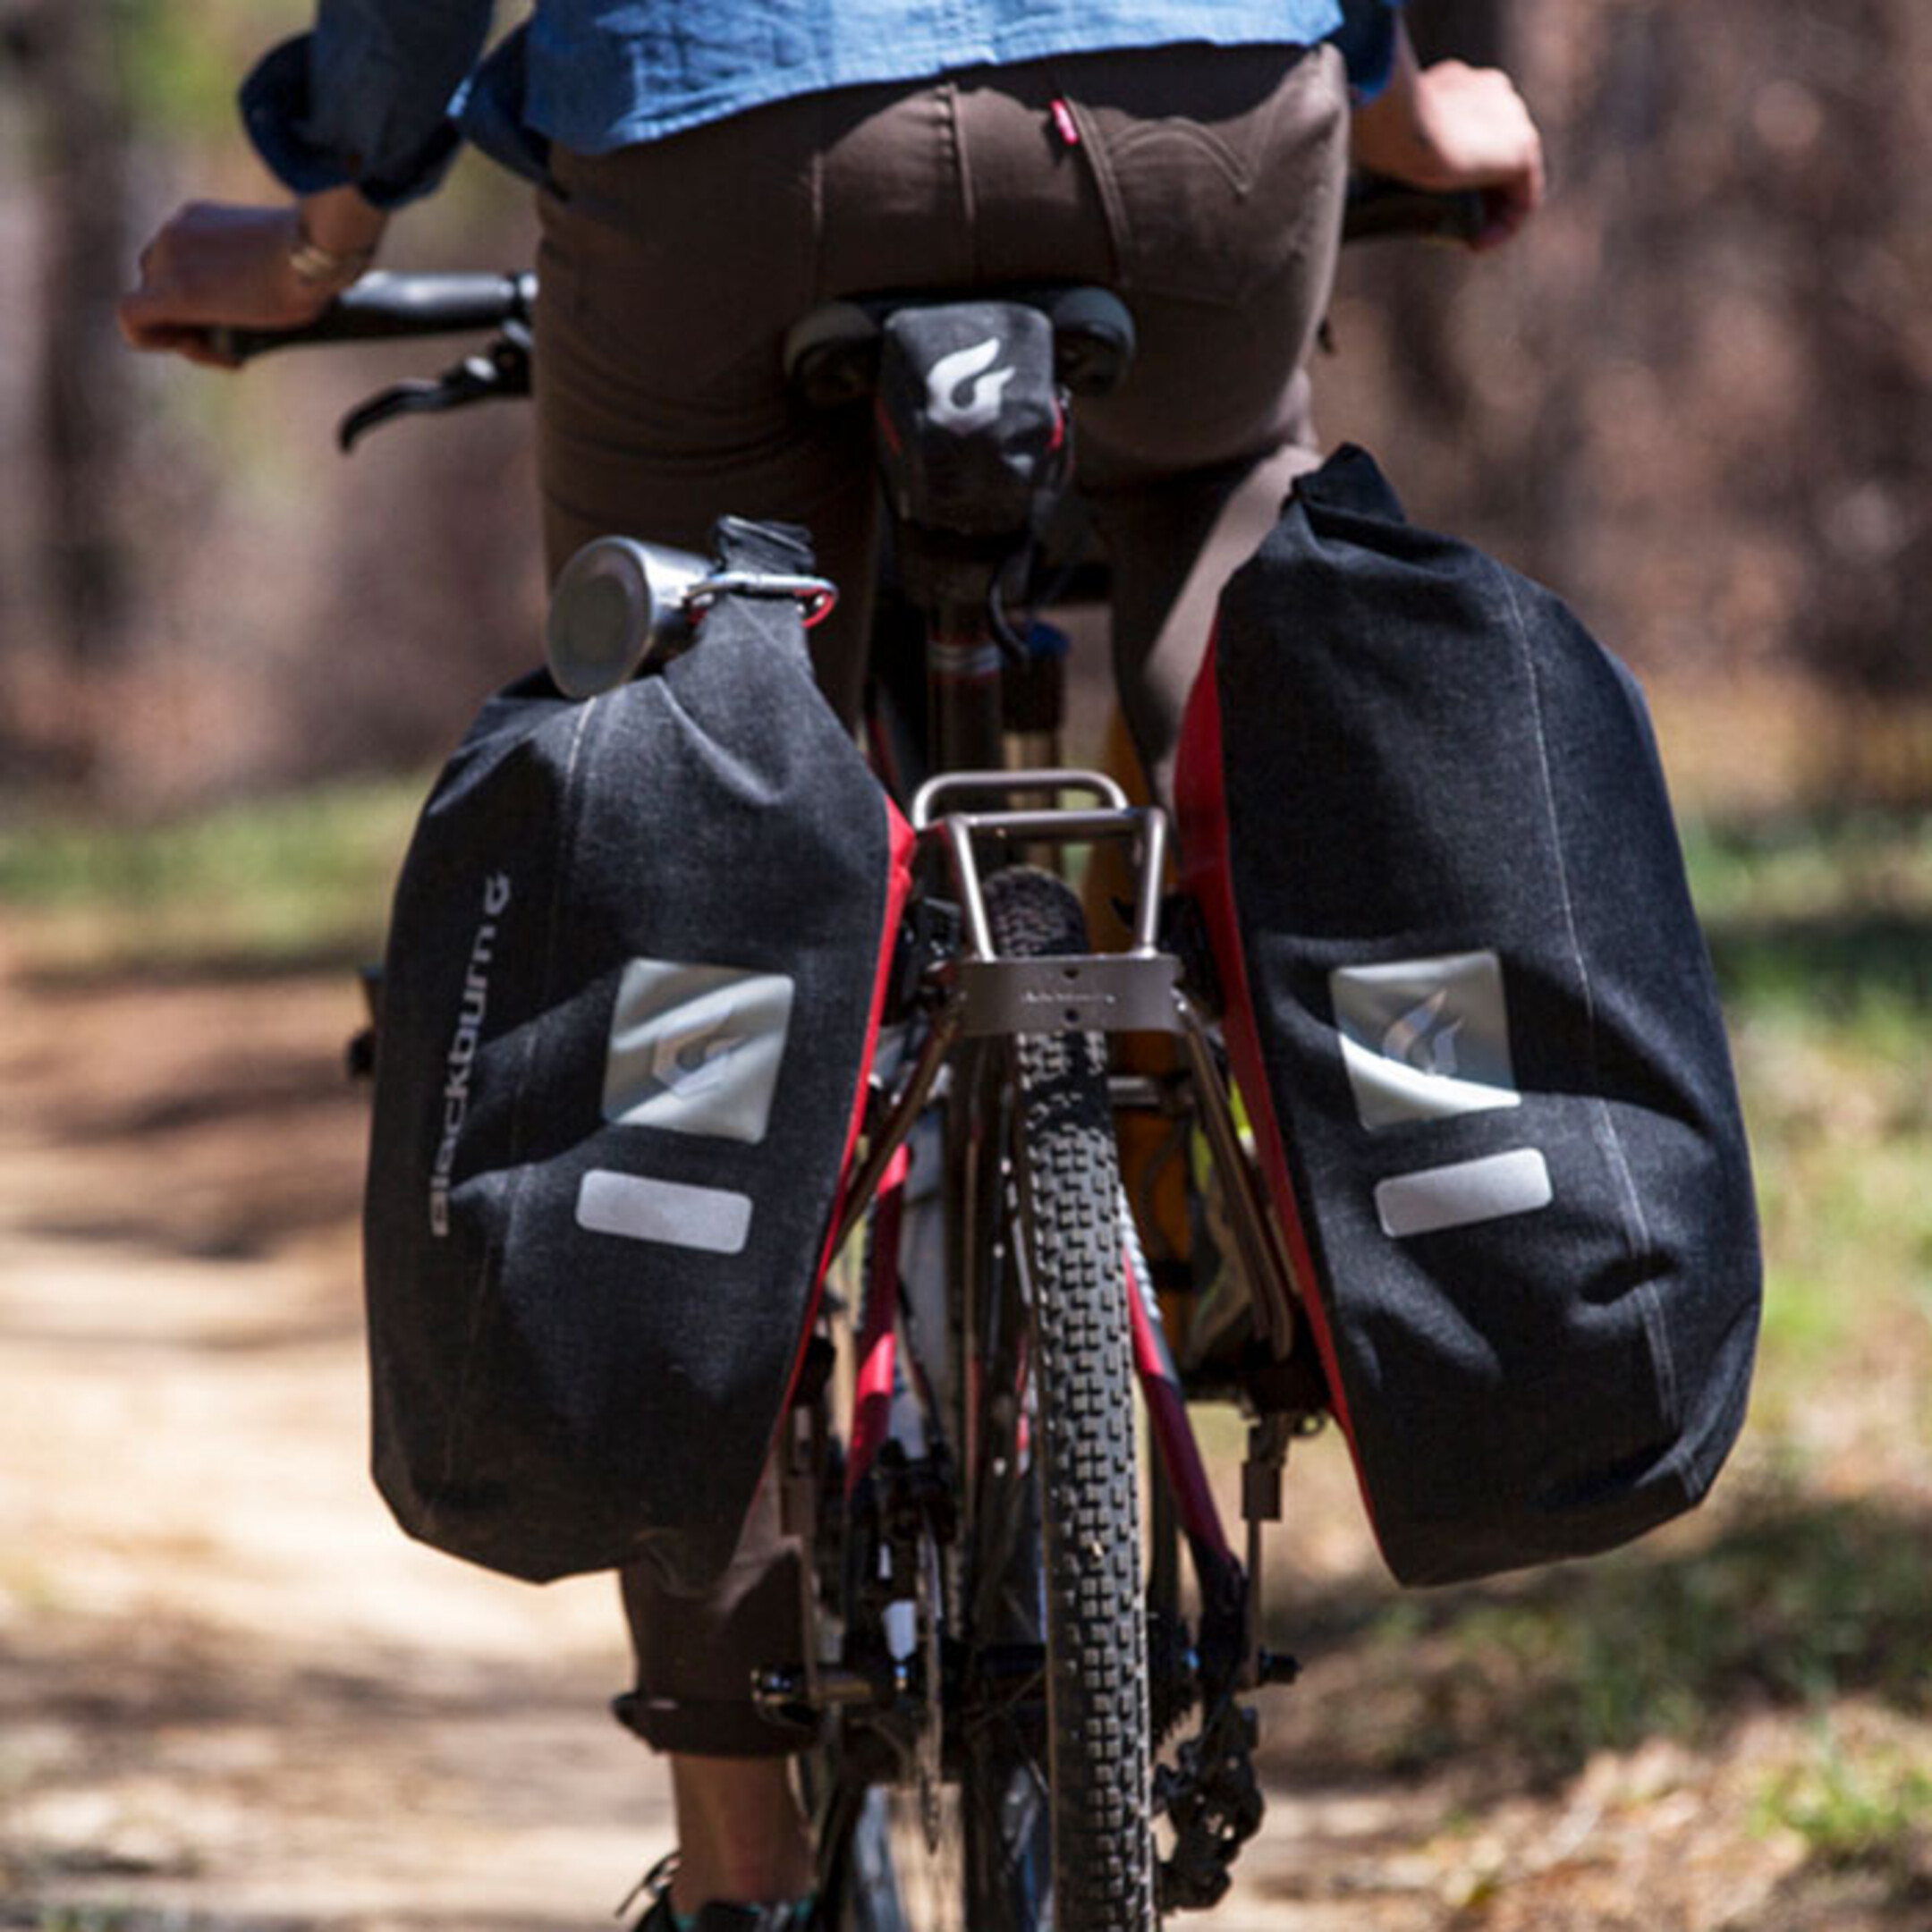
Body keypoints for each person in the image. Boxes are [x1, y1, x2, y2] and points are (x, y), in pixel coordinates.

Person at [121, 7, 1541, 1927]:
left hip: (736, 133)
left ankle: (738, 1869)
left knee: (685, 852)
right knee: (1246, 600)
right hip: (1190, 111)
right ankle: (1440, 1265)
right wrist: (1399, 95)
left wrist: (323, 222)